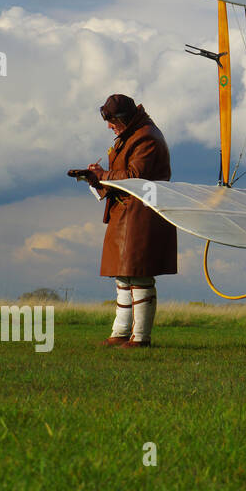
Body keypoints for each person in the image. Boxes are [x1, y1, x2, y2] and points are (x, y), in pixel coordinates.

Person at [81, 94, 177, 348]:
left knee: (139, 275)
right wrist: (97, 178)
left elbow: (136, 175)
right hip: (127, 213)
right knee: (124, 277)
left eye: (112, 121)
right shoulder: (135, 133)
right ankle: (121, 332)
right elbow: (127, 175)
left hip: (141, 215)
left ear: (123, 119)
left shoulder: (146, 136)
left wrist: (103, 175)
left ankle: (140, 337)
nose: (109, 126)